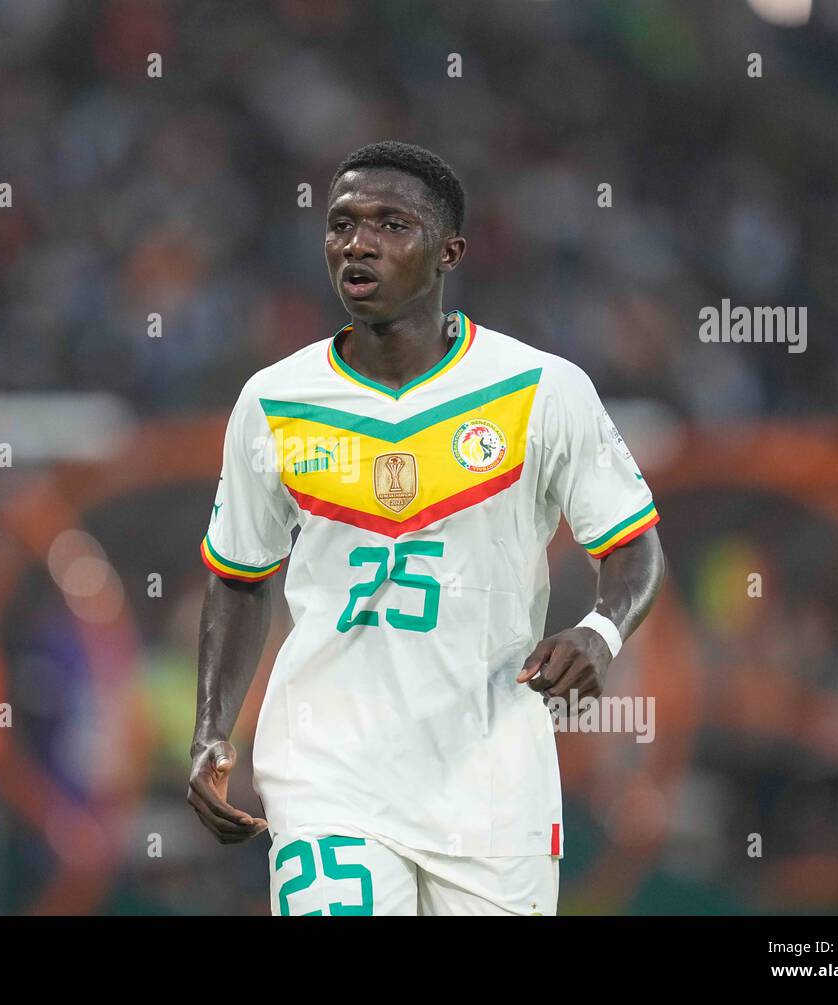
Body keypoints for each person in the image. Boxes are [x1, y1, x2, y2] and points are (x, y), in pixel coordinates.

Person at [187, 140, 665, 915]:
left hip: (493, 780)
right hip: (327, 771)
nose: (358, 243)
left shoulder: (542, 391)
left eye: (390, 225)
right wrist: (211, 730)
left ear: (449, 252)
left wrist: (600, 632)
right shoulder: (273, 402)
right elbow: (239, 576)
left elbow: (632, 544)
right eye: (341, 225)